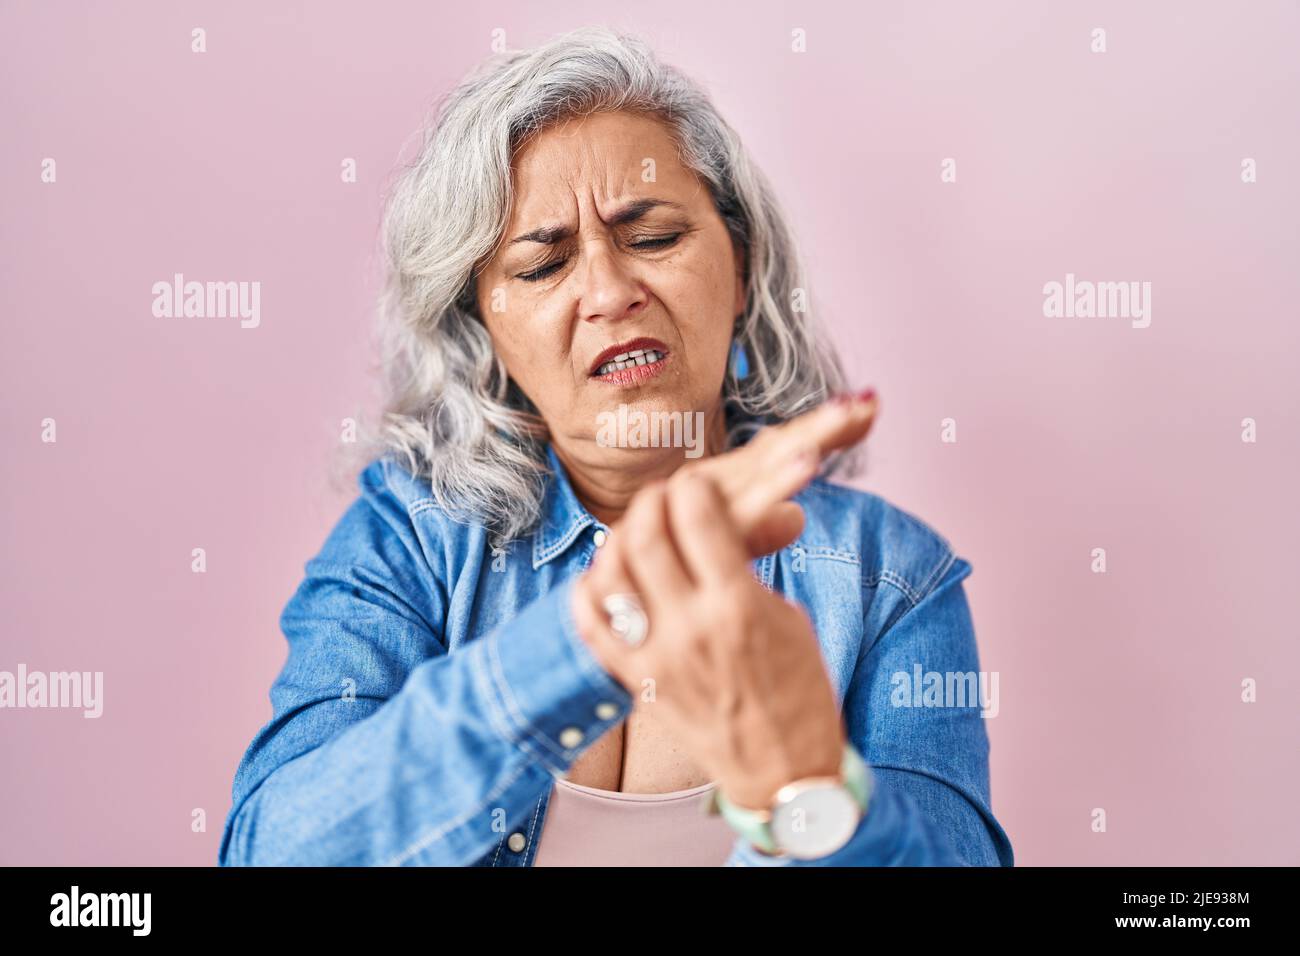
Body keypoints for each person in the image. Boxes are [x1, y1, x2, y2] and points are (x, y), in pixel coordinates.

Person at [218, 26, 1014, 867]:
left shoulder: (890, 577)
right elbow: (272, 853)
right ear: (485, 333)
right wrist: (595, 633)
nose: (608, 291)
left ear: (741, 270)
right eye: (541, 267)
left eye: (654, 237)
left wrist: (799, 786)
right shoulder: (409, 537)